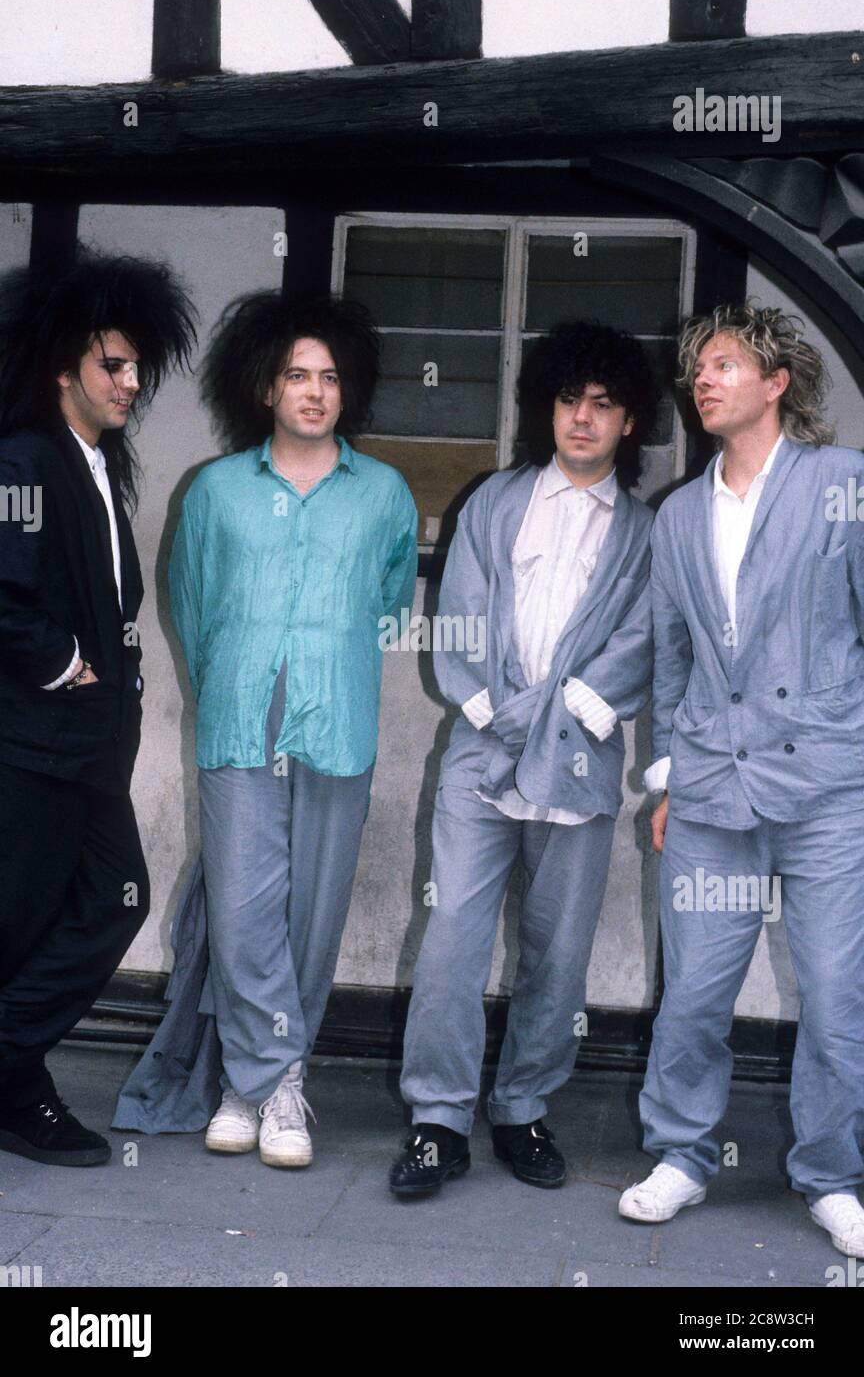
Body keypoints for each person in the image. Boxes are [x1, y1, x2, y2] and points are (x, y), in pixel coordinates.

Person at [389, 322, 657, 1196]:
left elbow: (645, 634)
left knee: (559, 952)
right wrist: (483, 703)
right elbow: (460, 608)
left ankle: (521, 1111)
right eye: (569, 400)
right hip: (483, 752)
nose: (583, 418)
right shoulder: (496, 502)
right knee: (453, 942)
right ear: (547, 408)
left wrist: (586, 705)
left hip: (579, 760)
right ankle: (436, 1119)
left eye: (604, 404)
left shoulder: (645, 533)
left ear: (628, 421)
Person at [620, 302, 864, 1261]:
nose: (703, 381)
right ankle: (681, 1154)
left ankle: (834, 1175)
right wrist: (672, 777)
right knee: (692, 992)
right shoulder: (678, 514)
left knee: (841, 993)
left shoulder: (845, 485)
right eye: (698, 370)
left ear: (777, 383)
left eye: (724, 365)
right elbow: (671, 658)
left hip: (828, 790)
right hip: (713, 791)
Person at [166, 294, 417, 1168]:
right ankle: (259, 1085)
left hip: (337, 721)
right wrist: (234, 684)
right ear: (266, 387)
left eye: (330, 377)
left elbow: (388, 601)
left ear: (350, 390)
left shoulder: (382, 493)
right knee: (241, 915)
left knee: (311, 914)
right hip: (242, 718)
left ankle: (268, 1087)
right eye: (297, 376)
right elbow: (193, 610)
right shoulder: (217, 491)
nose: (314, 392)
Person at [0, 248, 196, 1166]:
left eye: (135, 367)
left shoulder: (94, 462)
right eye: (112, 364)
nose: (130, 381)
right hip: (33, 748)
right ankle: (18, 1082)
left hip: (89, 755)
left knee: (114, 902)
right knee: (25, 919)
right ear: (61, 366)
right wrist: (64, 662)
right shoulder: (25, 459)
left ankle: (8, 1064)